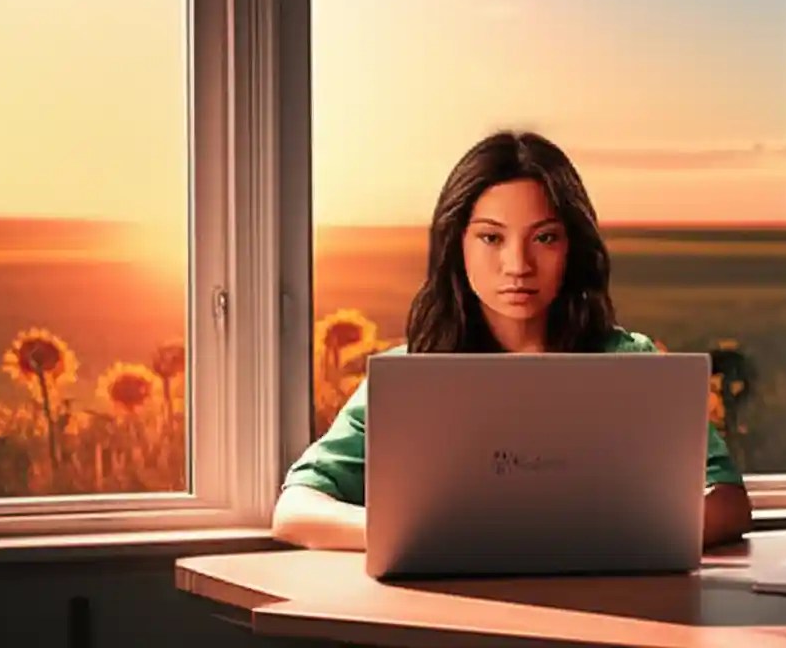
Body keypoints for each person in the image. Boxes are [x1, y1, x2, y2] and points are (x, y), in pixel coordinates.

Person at [272, 131, 753, 551]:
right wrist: (417, 532)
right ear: (455, 244)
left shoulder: (630, 363)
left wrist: (594, 535)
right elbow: (295, 509)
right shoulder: (411, 377)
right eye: (491, 238)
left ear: (573, 247)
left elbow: (727, 500)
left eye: (544, 238)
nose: (518, 265)